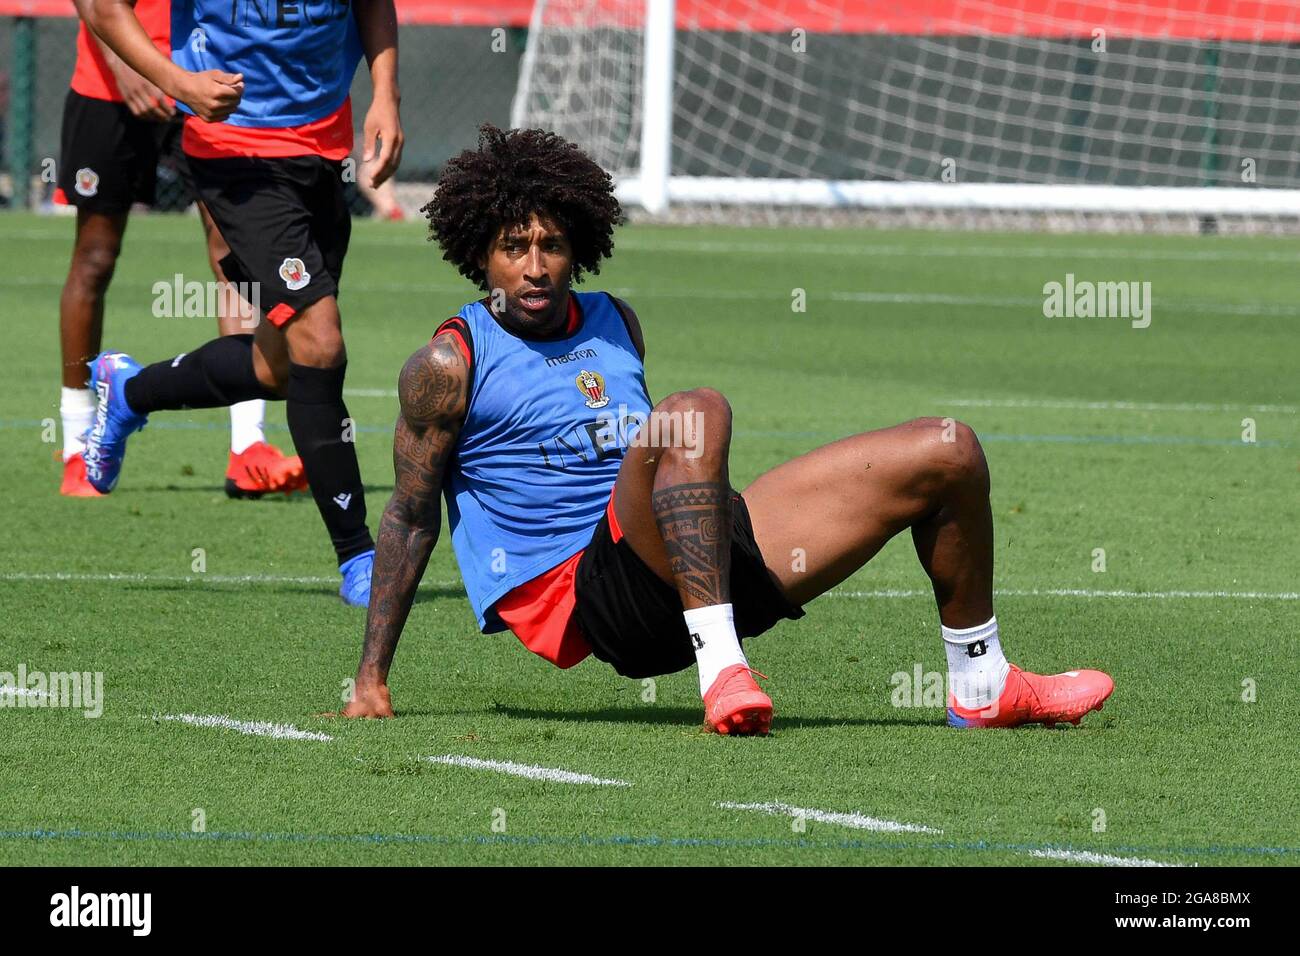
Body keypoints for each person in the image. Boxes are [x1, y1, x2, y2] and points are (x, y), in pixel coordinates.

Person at [342, 126, 1114, 732]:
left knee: (949, 451)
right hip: (589, 601)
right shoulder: (449, 359)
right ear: (481, 257)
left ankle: (981, 682)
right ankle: (723, 669)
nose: (536, 266)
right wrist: (372, 677)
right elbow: (410, 516)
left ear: (580, 246)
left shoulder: (617, 323)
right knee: (695, 411)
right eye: (515, 248)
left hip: (689, 563)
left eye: (552, 245)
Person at [76, 0, 405, 606]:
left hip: (321, 149)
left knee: (279, 367)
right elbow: (102, 8)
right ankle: (359, 555)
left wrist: (386, 94)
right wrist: (178, 84)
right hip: (232, 154)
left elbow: (372, 4)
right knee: (320, 340)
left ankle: (128, 391)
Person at [55, 0, 303, 499]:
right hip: (111, 81)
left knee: (233, 249)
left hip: (204, 84)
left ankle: (247, 447)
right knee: (95, 257)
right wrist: (125, 65)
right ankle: (78, 448)